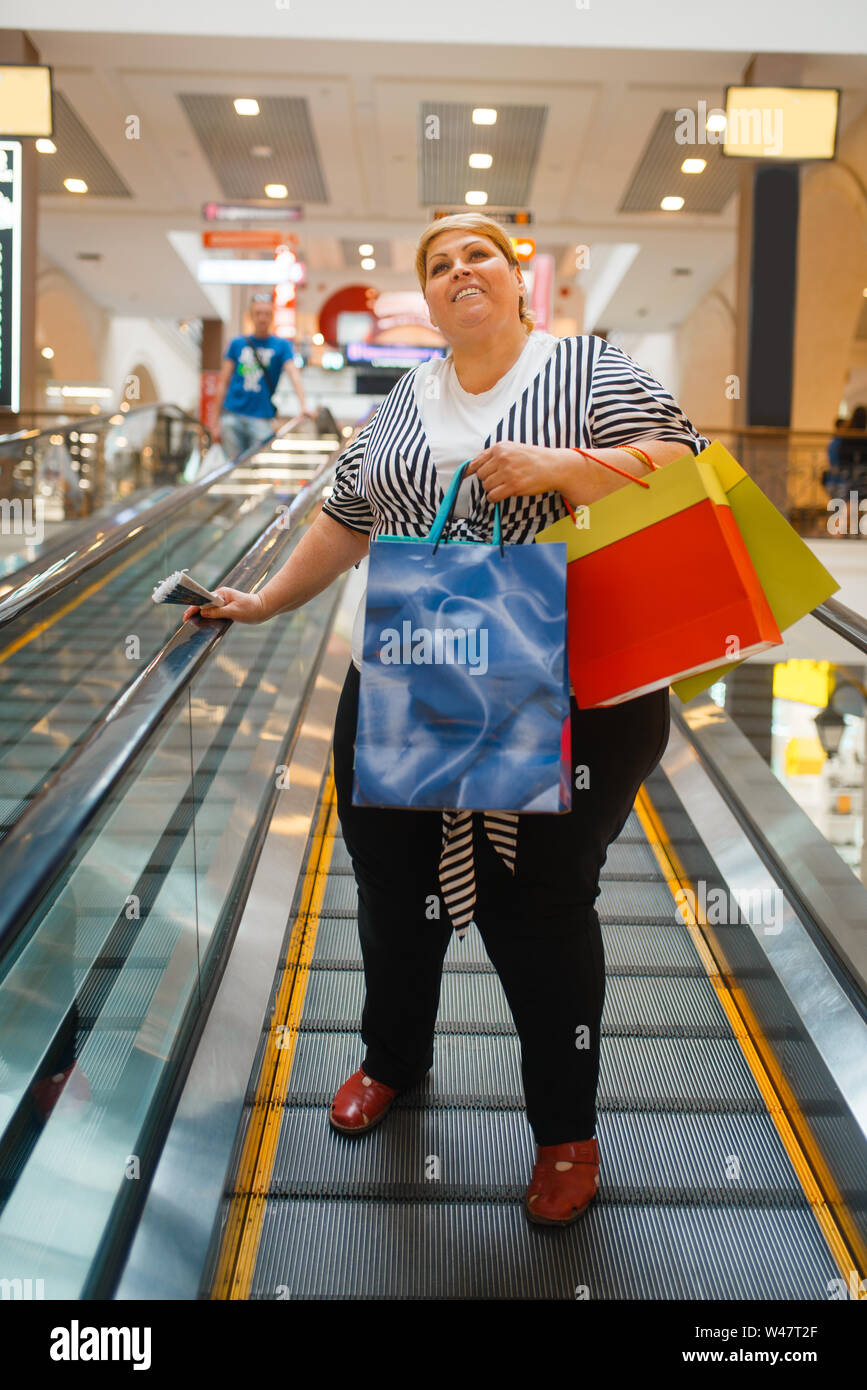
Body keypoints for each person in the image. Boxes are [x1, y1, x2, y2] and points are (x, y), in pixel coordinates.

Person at [184, 213, 710, 1226]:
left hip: (571, 684)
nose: (460, 269)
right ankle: (393, 1059)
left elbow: (683, 466)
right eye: (438, 263)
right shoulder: (403, 403)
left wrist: (564, 469)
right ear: (425, 300)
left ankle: (566, 1132)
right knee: (389, 881)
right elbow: (347, 521)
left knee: (539, 906)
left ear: (521, 280)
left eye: (480, 255)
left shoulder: (590, 370)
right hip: (417, 669)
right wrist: (264, 601)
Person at [212, 293, 316, 459]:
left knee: (258, 465)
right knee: (231, 469)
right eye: (258, 313)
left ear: (272, 316)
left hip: (261, 417)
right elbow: (223, 382)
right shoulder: (237, 344)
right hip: (232, 415)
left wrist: (303, 405)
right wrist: (214, 422)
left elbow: (294, 374)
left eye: (267, 314)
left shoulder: (281, 346)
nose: (262, 318)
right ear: (251, 315)